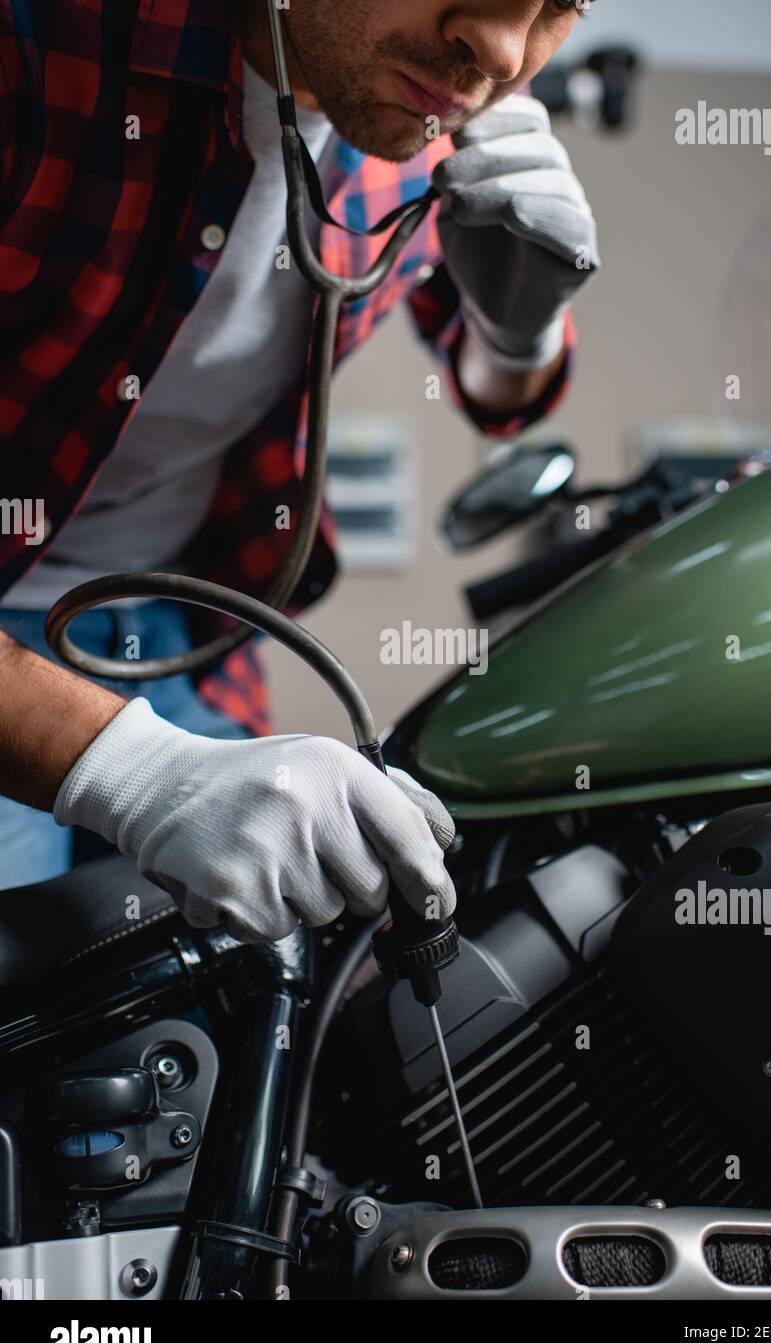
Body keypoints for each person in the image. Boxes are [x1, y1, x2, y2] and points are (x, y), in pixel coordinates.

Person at [0, 0, 599, 939]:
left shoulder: (405, 98)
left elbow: (499, 390)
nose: (504, 48)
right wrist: (126, 767)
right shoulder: (35, 44)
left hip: (178, 634)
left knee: (217, 1045)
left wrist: (516, 329)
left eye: (560, 4)